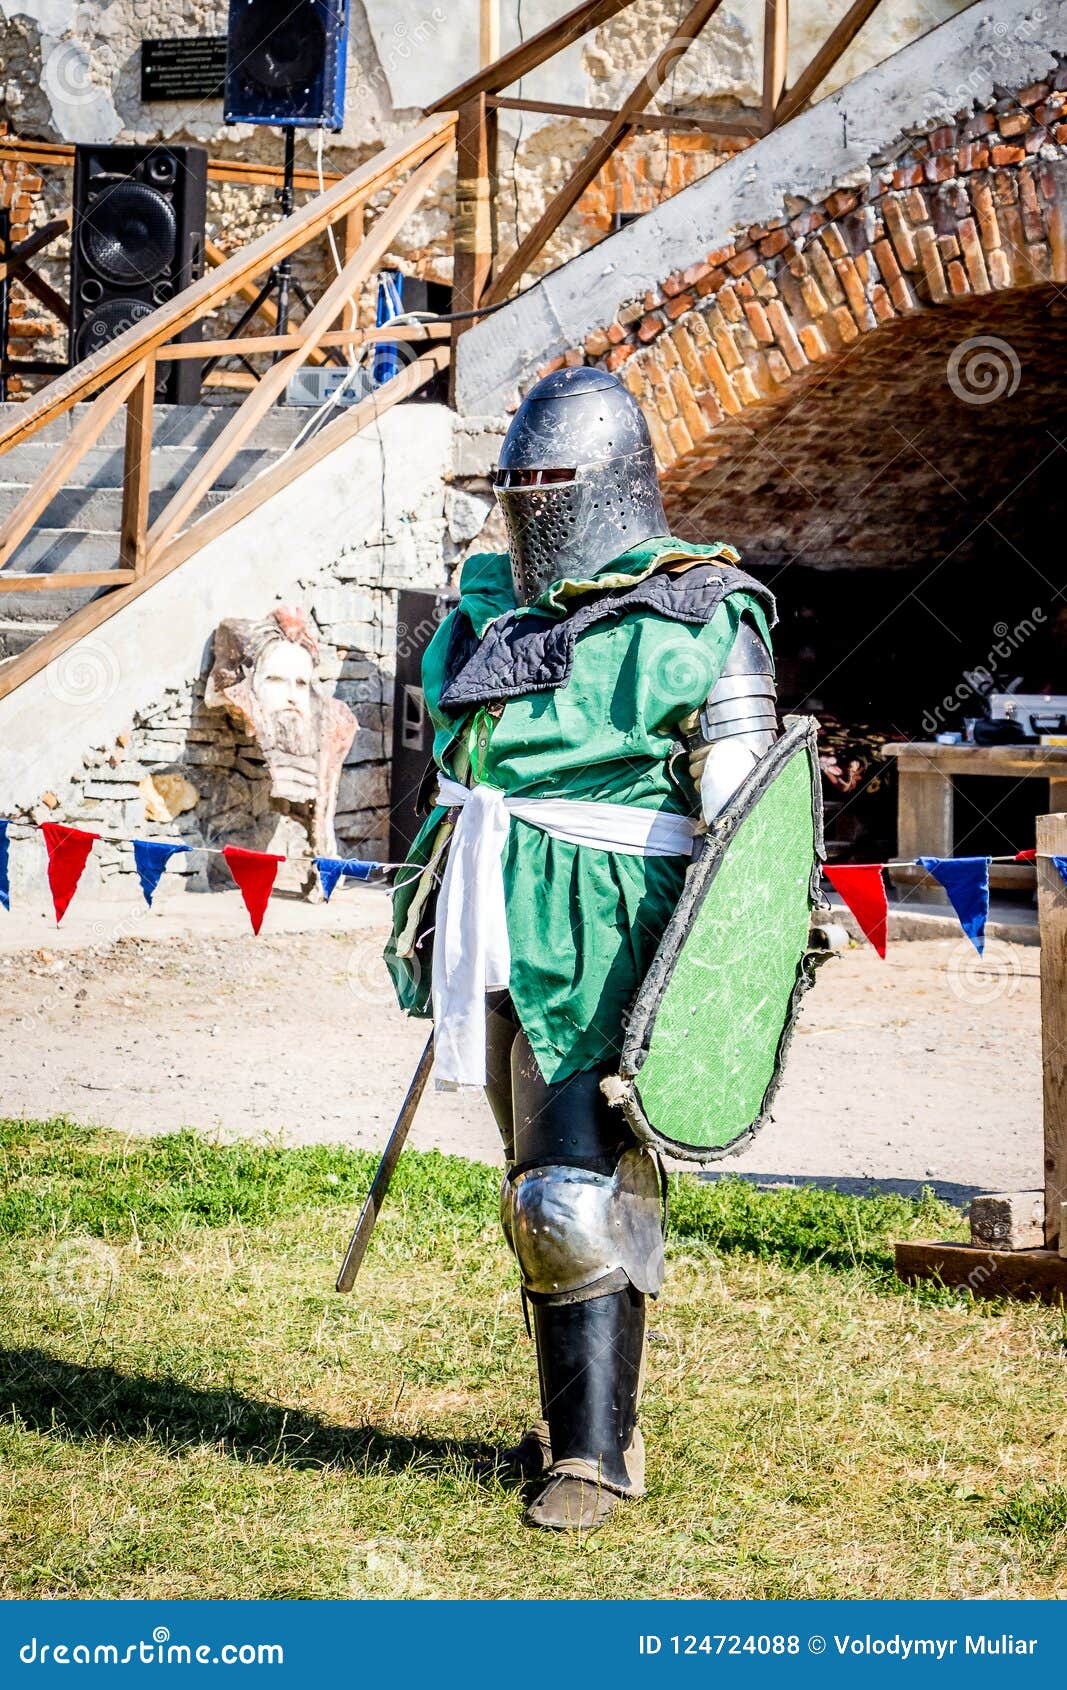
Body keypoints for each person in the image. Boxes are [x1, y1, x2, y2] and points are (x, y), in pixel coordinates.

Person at [386, 366, 778, 1531]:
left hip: (612, 924)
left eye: (547, 479)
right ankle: (585, 1412)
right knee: (535, 1187)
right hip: (499, 906)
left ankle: (591, 1457)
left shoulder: (702, 610)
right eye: (513, 481)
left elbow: (749, 806)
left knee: (569, 1194)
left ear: (608, 485)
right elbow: (458, 768)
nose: (527, 503)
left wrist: (743, 950)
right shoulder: (485, 615)